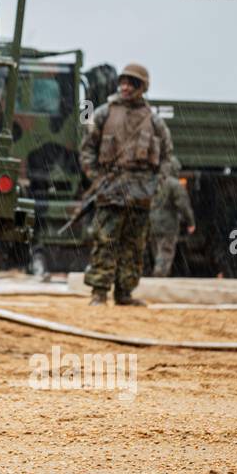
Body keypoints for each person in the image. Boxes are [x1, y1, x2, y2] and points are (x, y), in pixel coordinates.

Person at [80, 64, 174, 306]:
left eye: (131, 83)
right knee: (105, 240)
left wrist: (157, 184)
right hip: (111, 189)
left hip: (141, 193)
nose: (125, 87)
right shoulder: (104, 113)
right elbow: (88, 149)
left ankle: (125, 292)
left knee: (134, 245)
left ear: (142, 87)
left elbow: (167, 158)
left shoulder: (154, 122)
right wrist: (97, 178)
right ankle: (99, 292)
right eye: (123, 82)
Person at [149, 157, 195, 277]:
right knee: (165, 253)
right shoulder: (174, 184)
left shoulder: (153, 182)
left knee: (157, 253)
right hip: (168, 225)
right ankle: (159, 278)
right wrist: (191, 222)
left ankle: (159, 276)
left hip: (152, 223)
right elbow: (183, 205)